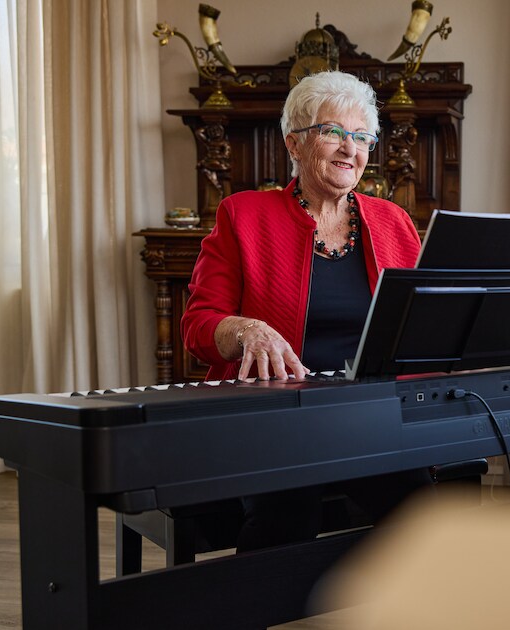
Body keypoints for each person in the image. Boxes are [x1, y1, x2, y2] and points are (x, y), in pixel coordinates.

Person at [181, 71, 430, 551]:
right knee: (284, 520)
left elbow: (423, 324)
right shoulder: (243, 214)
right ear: (294, 145)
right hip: (275, 416)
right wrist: (247, 329)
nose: (349, 149)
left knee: (422, 515)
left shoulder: (394, 221)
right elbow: (197, 324)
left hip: (370, 415)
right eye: (333, 132)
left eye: (361, 137)